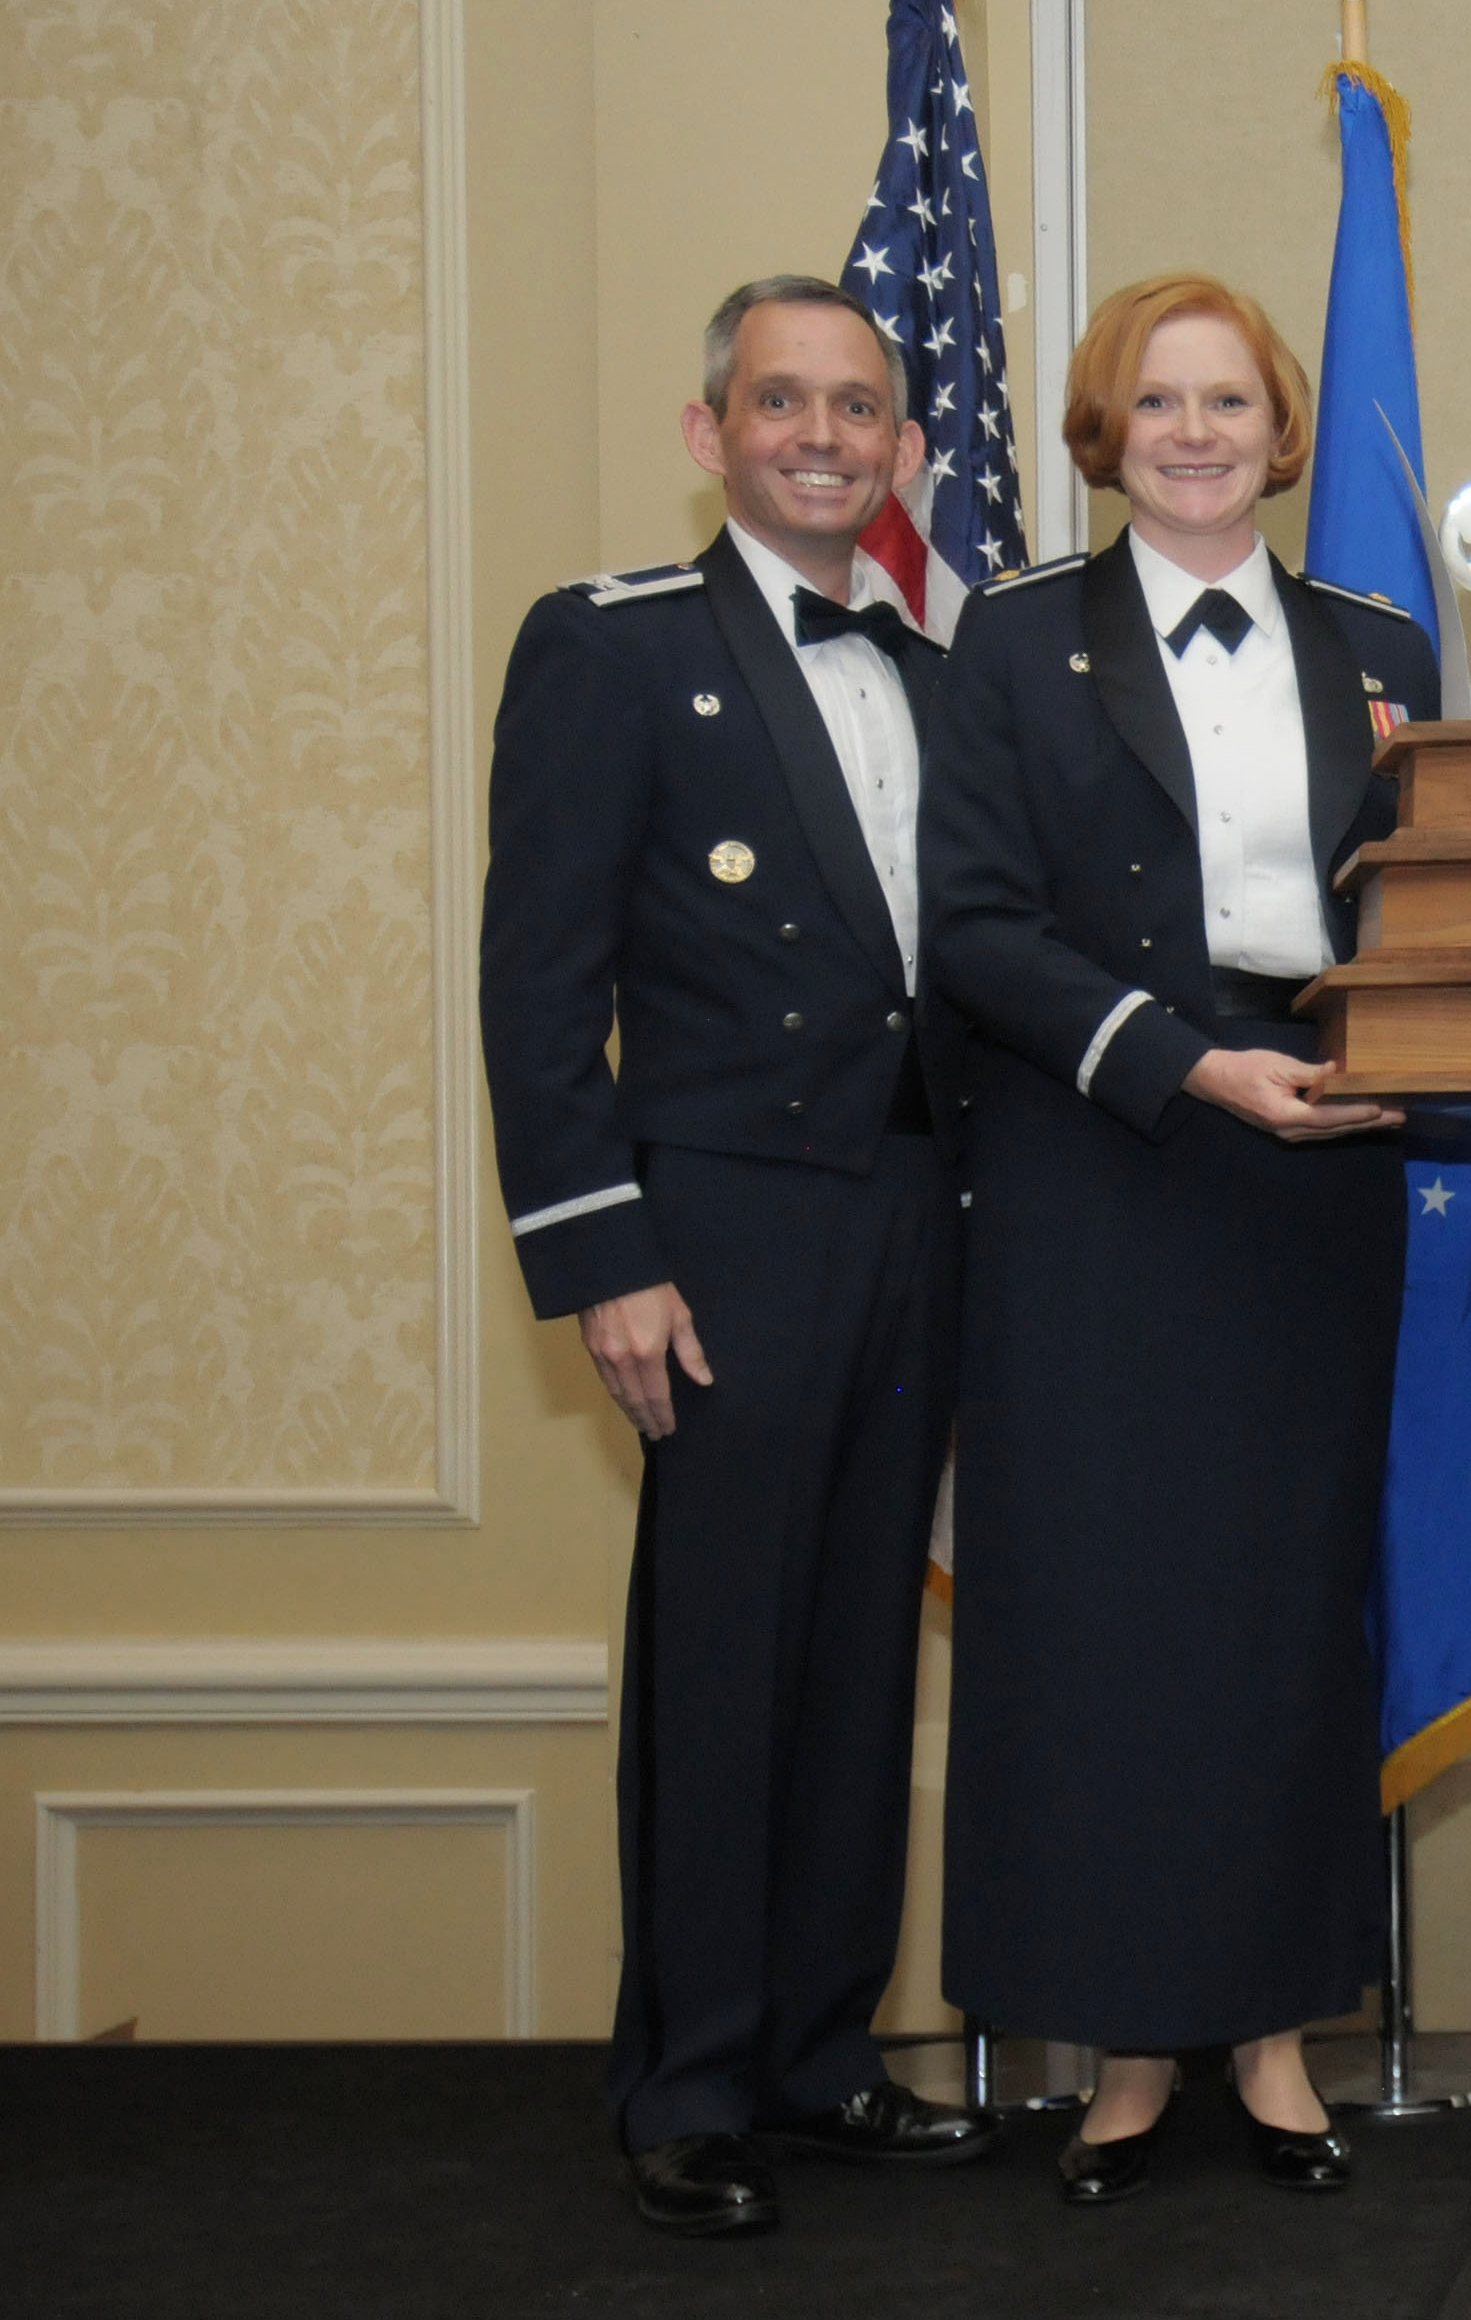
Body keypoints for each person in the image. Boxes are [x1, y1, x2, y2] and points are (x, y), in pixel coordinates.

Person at [478, 275, 996, 2237]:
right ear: (712, 431)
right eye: (783, 402)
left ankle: (818, 2051)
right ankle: (689, 2076)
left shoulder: (941, 680)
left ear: (904, 452)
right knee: (723, 1655)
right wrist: (600, 1250)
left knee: (864, 1646)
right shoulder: (611, 650)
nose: (821, 436)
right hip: (716, 1234)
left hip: (910, 1217)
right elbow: (539, 986)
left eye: (857, 410)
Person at [923, 273, 1433, 2210]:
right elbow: (970, 925)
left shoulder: (1380, 642)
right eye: (1162, 402)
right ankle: (1131, 2049)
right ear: (1105, 429)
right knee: (1104, 1626)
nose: (1199, 432)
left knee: (1287, 1618)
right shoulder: (1019, 637)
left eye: (1231, 400)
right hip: (1097, 1178)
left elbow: (1431, 899)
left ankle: (1279, 2034)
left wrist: (1431, 1039)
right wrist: (1186, 1064)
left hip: (1312, 1184)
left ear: (1282, 426)